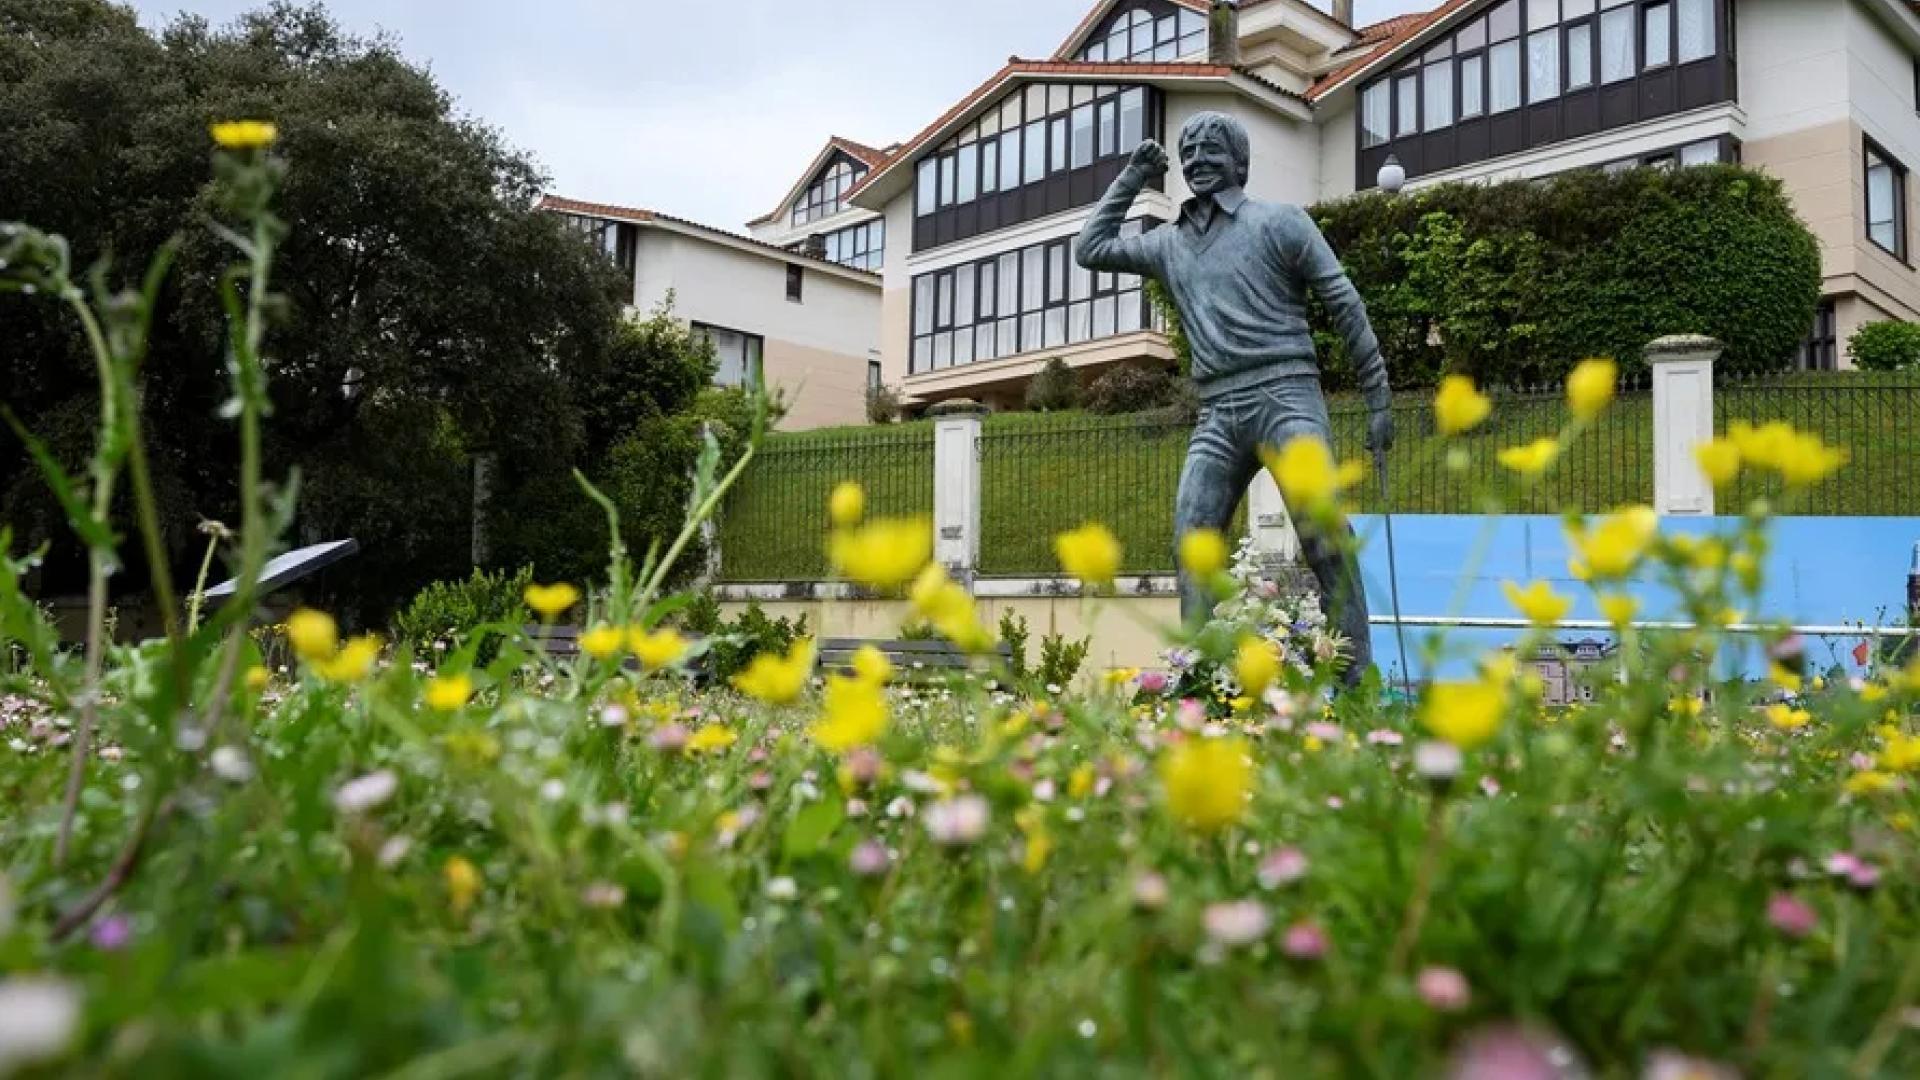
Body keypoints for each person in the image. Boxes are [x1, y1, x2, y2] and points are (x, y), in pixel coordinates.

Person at [1074, 110, 1393, 686]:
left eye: (1211, 149)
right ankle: (1202, 680)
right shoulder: (1166, 243)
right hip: (1218, 410)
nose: (1197, 159)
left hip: (1287, 394)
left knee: (1322, 533)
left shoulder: (1282, 223)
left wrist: (1378, 398)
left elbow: (1345, 304)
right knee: (1191, 539)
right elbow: (1091, 248)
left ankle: (1352, 681)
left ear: (1240, 162)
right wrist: (1132, 176)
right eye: (1188, 150)